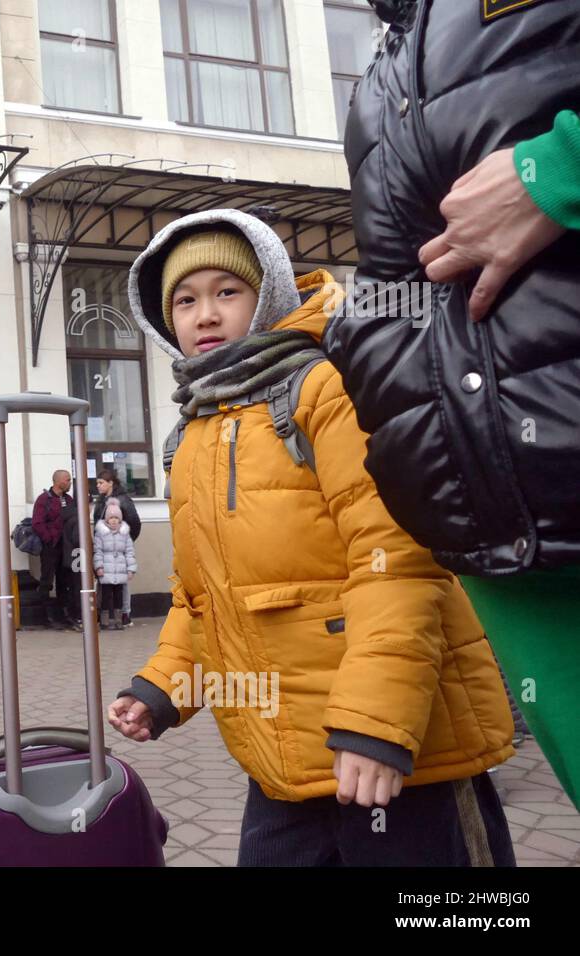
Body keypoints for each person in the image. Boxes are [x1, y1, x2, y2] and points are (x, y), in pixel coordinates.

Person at [108, 209, 517, 866]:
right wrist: (163, 688)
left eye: (226, 292)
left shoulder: (328, 387)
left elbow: (398, 564)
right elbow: (200, 597)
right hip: (283, 762)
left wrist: (377, 724)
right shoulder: (191, 433)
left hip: (402, 755)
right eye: (185, 300)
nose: (205, 315)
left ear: (268, 291)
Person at [323, 0, 580, 807]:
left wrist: (560, 169)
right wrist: (363, 346)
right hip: (498, 529)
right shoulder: (381, 74)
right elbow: (402, 271)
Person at [93, 468, 140, 625]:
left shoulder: (123, 500)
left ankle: (125, 614)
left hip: (118, 548)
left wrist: (124, 540)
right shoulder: (100, 501)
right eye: (97, 483)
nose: (98, 486)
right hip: (103, 546)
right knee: (102, 581)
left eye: (101, 483)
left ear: (110, 483)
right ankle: (104, 614)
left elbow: (134, 522)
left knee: (122, 582)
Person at [31, 470, 74, 627]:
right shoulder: (44, 500)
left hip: (67, 547)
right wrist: (49, 539)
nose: (70, 483)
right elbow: (37, 522)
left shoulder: (69, 499)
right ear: (59, 481)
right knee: (47, 580)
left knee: (65, 580)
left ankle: (64, 614)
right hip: (51, 547)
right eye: (68, 480)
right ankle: (46, 616)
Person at [92, 499, 135, 631]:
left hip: (120, 570)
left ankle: (118, 620)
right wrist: (99, 567)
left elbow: (129, 551)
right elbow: (97, 552)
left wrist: (131, 569)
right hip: (106, 571)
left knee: (119, 597)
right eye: (111, 518)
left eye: (117, 518)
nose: (114, 520)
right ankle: (104, 621)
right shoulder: (101, 534)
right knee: (105, 597)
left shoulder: (124, 533)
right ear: (106, 519)